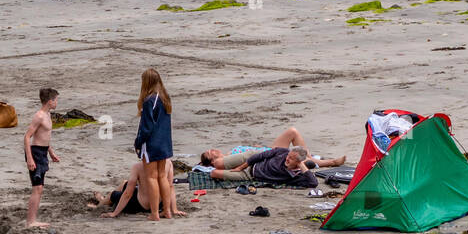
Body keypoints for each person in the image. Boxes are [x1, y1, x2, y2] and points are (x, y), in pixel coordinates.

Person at [200, 126, 347, 188]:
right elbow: (262, 154)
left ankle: (324, 162)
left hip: (251, 172)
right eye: (210, 153)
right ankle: (325, 162)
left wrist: (301, 164)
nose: (212, 149)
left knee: (216, 171)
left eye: (290, 158)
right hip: (253, 158)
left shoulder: (295, 175)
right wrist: (241, 166)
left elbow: (313, 182)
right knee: (218, 165)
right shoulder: (283, 154)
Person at [134, 68, 174, 220]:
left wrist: (138, 142)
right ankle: (167, 211)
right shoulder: (165, 98)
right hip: (164, 142)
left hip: (152, 144)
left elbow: (147, 126)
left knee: (151, 177)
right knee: (162, 176)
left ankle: (155, 213)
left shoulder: (150, 100)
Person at [87, 158, 184, 218]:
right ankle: (103, 199)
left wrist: (114, 213)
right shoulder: (168, 163)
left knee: (114, 195)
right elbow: (170, 187)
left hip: (139, 205)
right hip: (160, 205)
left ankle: (100, 203)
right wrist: (174, 209)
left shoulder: (138, 167)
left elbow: (128, 194)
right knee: (125, 183)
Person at [24, 86, 60, 227]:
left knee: (40, 188)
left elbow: (45, 137)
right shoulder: (39, 116)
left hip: (43, 152)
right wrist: (30, 158)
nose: (57, 103)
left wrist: (51, 153)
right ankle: (30, 222)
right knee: (37, 188)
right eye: (56, 100)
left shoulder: (48, 115)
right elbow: (27, 137)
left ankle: (32, 220)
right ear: (50, 101)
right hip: (36, 153)